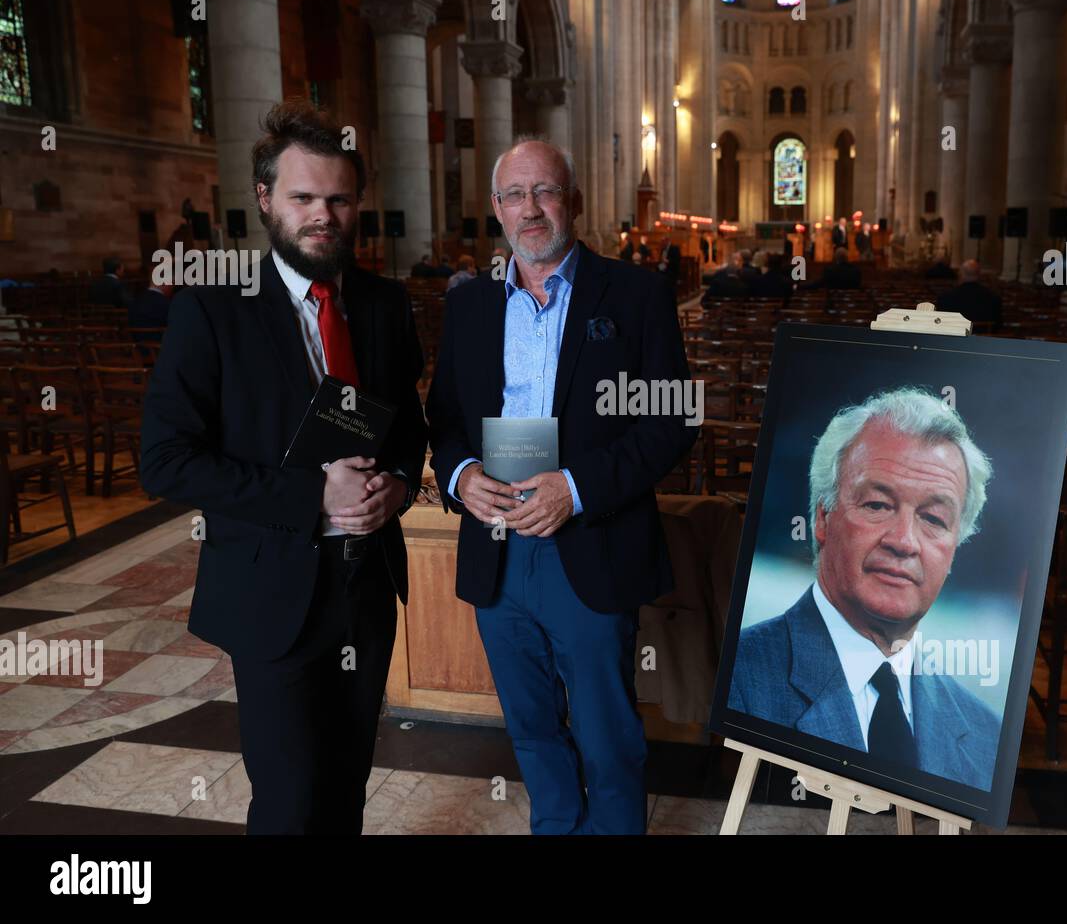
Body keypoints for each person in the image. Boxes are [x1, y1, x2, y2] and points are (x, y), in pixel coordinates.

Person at [139, 99, 428, 834]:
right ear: (265, 199)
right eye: (303, 197)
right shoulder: (214, 308)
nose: (322, 215)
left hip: (365, 584)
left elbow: (409, 427)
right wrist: (313, 497)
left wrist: (396, 483)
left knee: (346, 786)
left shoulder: (386, 305)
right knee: (291, 803)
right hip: (273, 588)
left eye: (338, 198)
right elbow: (167, 461)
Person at [426, 138, 698, 834]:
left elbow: (670, 423)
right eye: (515, 195)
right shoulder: (470, 307)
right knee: (531, 727)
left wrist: (575, 488)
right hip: (497, 546)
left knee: (609, 738)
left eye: (544, 191)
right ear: (496, 209)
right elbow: (445, 418)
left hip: (590, 539)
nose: (530, 208)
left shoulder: (635, 295)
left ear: (572, 202)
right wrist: (461, 476)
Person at [728, 387, 1000, 789]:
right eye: (877, 505)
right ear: (823, 518)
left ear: (955, 547)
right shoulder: (741, 680)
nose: (904, 541)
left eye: (934, 519)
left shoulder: (986, 734)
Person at [937, 260, 1003, 332]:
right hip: (985, 339)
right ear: (979, 275)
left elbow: (940, 324)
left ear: (961, 274)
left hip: (955, 340)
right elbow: (998, 325)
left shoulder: (946, 298)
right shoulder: (994, 298)